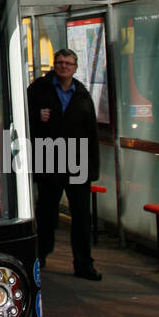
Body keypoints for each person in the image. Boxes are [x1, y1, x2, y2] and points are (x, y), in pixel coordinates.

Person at [27, 48, 101, 281]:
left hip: (77, 163)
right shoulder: (39, 89)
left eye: (68, 64)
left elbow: (91, 132)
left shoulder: (81, 93)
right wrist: (37, 117)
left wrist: (92, 168)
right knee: (47, 211)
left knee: (81, 214)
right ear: (54, 65)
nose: (64, 67)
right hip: (50, 158)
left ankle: (83, 263)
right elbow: (21, 116)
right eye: (60, 62)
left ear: (75, 68)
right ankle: (41, 255)